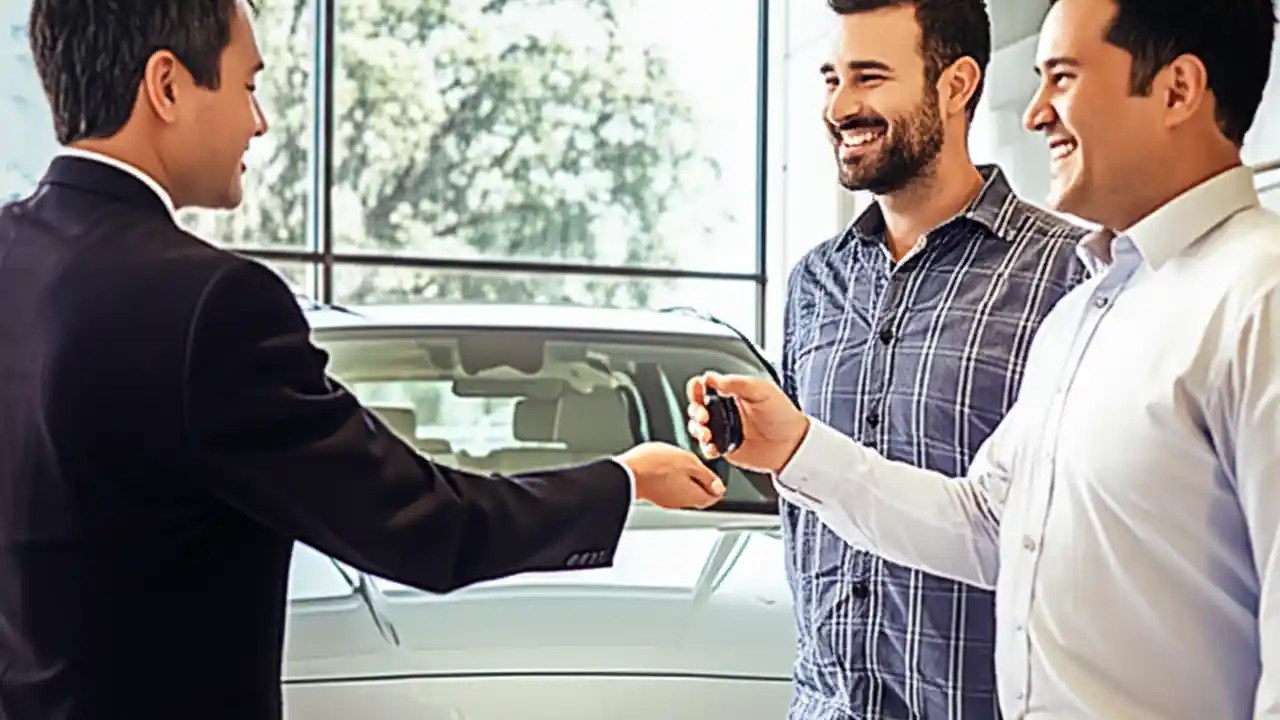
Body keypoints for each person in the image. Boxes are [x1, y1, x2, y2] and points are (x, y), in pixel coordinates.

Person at [0, 1, 726, 718]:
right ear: (166, 86)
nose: (260, 122)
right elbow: (427, 525)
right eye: (249, 85)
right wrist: (624, 481)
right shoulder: (212, 303)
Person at [689, 0, 1280, 717]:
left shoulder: (1259, 297)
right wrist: (796, 448)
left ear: (1178, 89)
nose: (1033, 114)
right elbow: (987, 524)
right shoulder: (1091, 311)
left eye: (1061, 77)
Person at [775, 1, 1085, 717]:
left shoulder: (1068, 276)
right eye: (831, 79)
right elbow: (802, 518)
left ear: (956, 85)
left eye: (870, 78)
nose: (841, 106)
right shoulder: (813, 284)